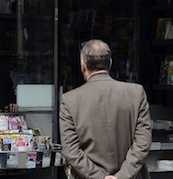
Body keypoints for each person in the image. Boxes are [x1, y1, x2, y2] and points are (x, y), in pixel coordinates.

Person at [59, 39, 151, 179]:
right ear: (110, 63)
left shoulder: (70, 100)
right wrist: (122, 175)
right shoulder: (136, 93)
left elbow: (71, 150)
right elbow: (142, 143)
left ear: (83, 65)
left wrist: (99, 177)